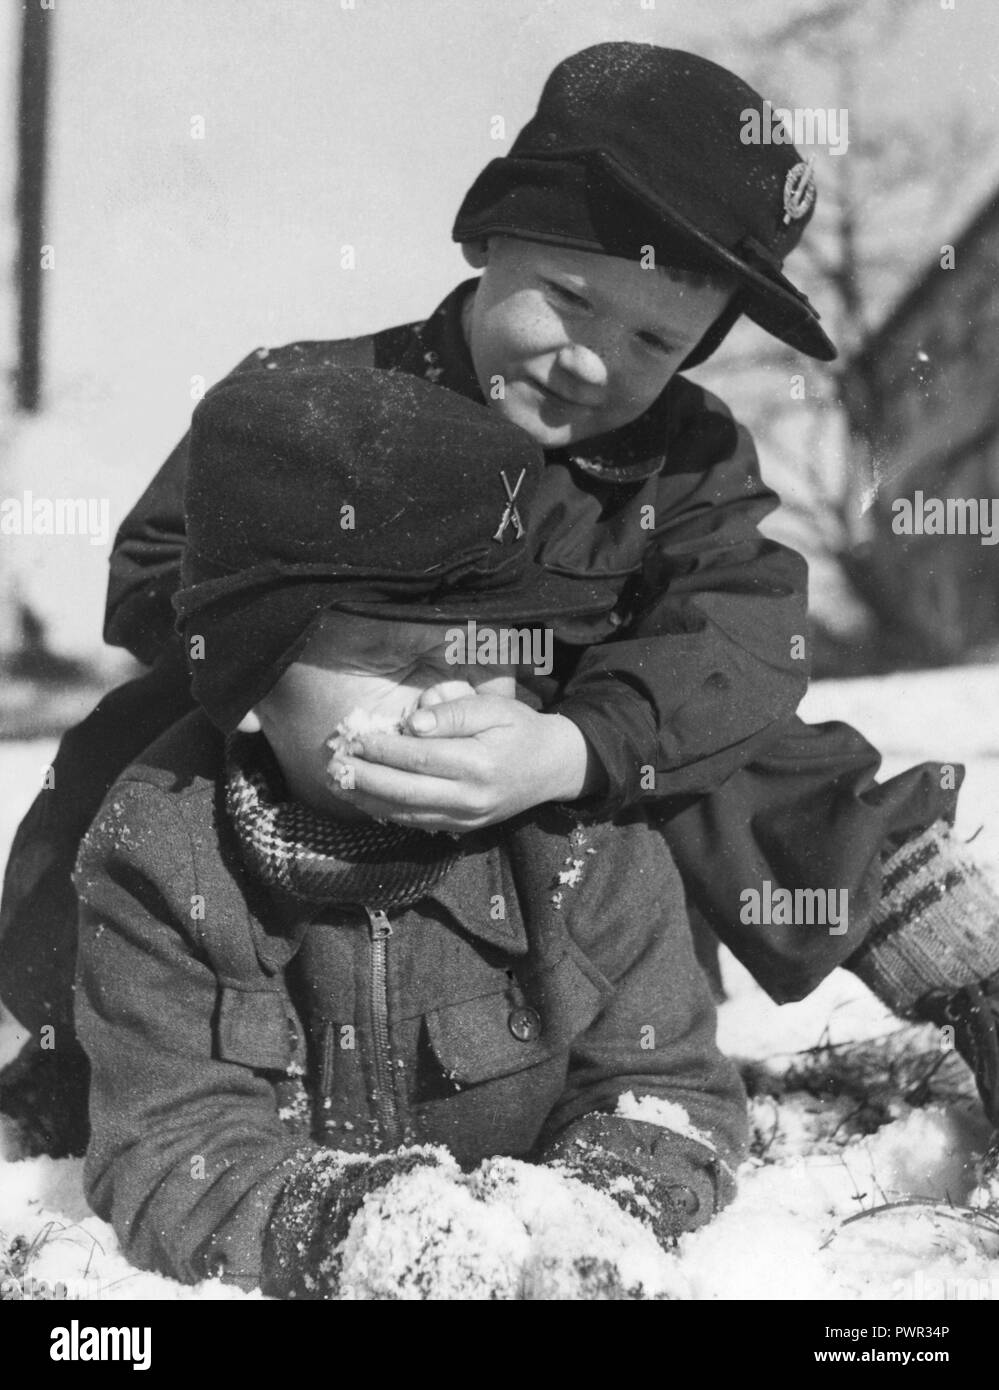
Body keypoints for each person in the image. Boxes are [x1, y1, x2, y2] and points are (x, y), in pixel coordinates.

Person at [2, 42, 997, 1158]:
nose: (592, 362)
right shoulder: (315, 402)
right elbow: (157, 560)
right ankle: (81, 1036)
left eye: (656, 341)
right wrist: (302, 660)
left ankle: (963, 966)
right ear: (490, 239)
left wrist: (568, 738)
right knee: (140, 748)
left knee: (722, 734)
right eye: (571, 298)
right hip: (331, 778)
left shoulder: (684, 460)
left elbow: (748, 624)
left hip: (563, 829)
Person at [72, 366, 747, 1297]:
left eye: (484, 651)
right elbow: (168, 1146)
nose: (449, 699)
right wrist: (369, 1233)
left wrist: (584, 1218)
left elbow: (669, 1094)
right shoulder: (161, 851)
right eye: (391, 662)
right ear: (253, 687)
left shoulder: (582, 841)